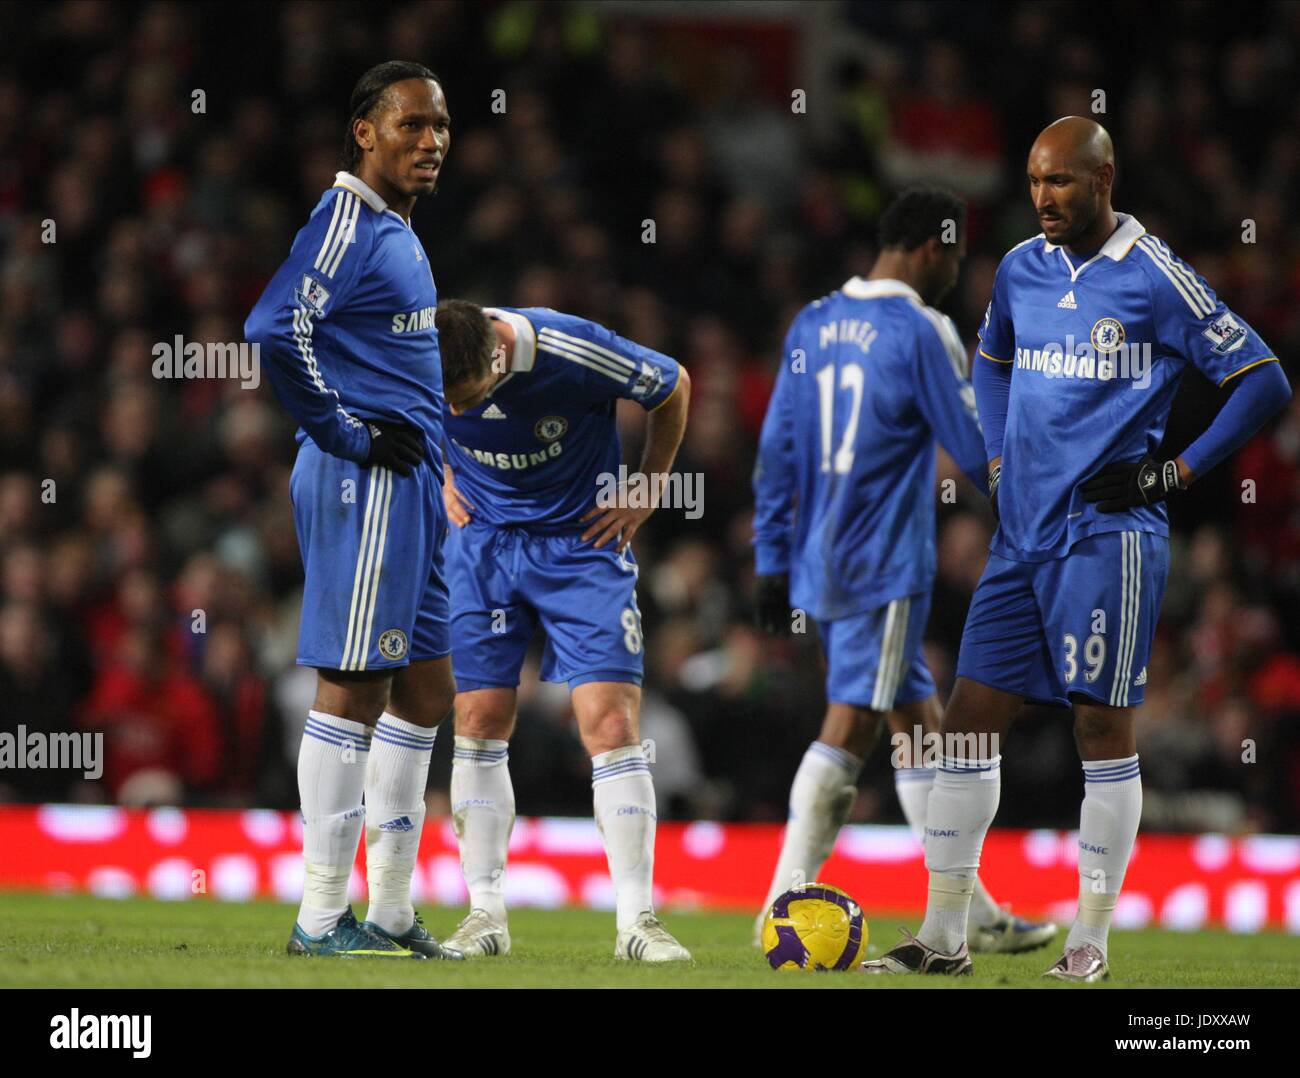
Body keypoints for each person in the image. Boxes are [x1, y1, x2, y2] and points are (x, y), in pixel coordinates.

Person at [864, 117, 1292, 980]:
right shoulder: (1021, 267)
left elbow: (1263, 378)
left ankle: (1090, 941)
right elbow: (991, 359)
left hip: (1110, 537)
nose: (1042, 198)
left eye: (1059, 181)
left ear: (1104, 179)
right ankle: (944, 934)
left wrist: (1173, 473)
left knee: (1100, 726)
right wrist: (993, 450)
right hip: (1022, 535)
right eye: (1032, 181)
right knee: (965, 726)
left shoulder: (1155, 275)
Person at [751, 185, 1055, 955]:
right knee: (851, 722)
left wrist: (768, 560)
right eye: (956, 254)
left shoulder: (812, 322)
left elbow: (777, 451)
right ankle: (782, 902)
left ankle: (975, 913)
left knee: (919, 732)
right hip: (881, 560)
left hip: (820, 558)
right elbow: (975, 443)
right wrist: (1043, 513)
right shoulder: (923, 331)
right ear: (933, 247)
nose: (957, 268)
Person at [244, 61, 460, 959]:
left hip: (413, 482)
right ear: (364, 134)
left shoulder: (397, 230)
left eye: (442, 125)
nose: (432, 140)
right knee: (355, 686)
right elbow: (271, 325)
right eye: (411, 124)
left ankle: (393, 912)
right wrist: (346, 433)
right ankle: (320, 916)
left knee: (427, 687)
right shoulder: (348, 220)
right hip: (364, 478)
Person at [434, 298, 693, 961]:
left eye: (465, 399)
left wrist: (648, 486)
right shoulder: (420, 347)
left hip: (580, 544)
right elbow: (388, 407)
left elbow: (673, 385)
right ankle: (484, 915)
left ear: (497, 356)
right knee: (478, 719)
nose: (458, 413)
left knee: (609, 723)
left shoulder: (571, 349)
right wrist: (439, 474)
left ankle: (638, 921)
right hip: (484, 543)